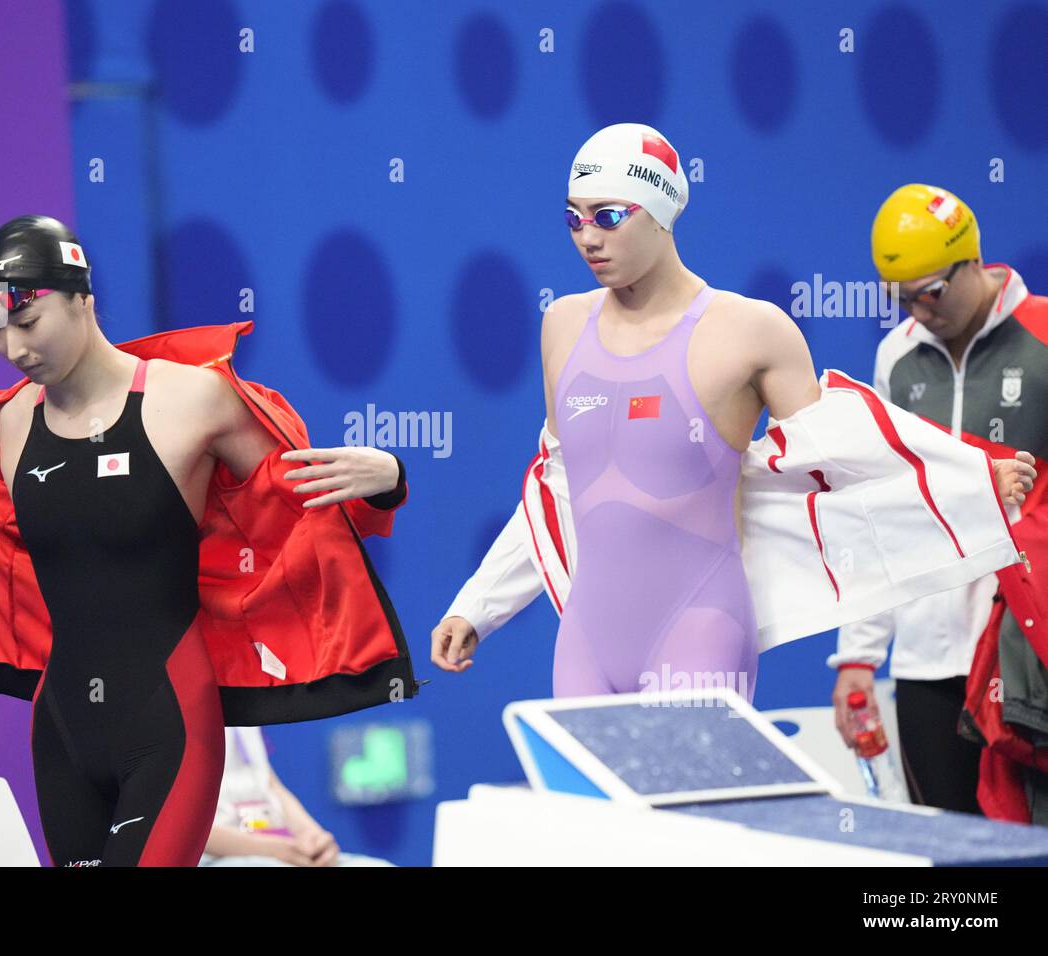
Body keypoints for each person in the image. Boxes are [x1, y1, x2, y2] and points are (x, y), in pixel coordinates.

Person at [0, 215, 417, 866]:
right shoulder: (11, 422)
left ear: (82, 296)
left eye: (27, 323)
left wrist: (390, 479)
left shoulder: (195, 400)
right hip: (60, 727)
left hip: (168, 722)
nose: (12, 347)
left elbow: (296, 502)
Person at [430, 124, 1036, 704]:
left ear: (662, 211)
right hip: (586, 637)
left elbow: (851, 447)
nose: (588, 236)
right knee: (589, 815)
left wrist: (973, 478)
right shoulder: (561, 326)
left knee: (688, 811)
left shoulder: (749, 330)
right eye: (574, 218)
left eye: (609, 216)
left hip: (700, 628)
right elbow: (554, 484)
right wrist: (477, 605)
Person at [829, 184, 1048, 815]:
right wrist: (858, 658)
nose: (918, 311)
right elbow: (880, 511)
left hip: (1025, 658)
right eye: (900, 298)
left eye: (929, 291)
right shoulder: (895, 357)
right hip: (925, 665)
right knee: (949, 873)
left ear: (972, 261)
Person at [198, 727, 394, 866]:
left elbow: (269, 783)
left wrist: (317, 840)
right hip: (215, 856)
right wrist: (280, 851)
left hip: (281, 847)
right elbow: (182, 828)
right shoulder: (173, 706)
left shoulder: (240, 697)